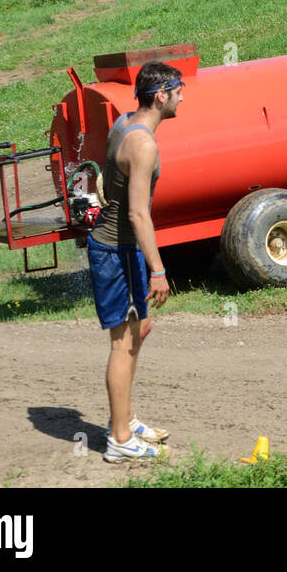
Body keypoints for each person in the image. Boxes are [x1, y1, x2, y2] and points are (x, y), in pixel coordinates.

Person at [87, 61, 182, 463]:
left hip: (116, 250)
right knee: (122, 345)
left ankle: (125, 419)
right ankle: (120, 440)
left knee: (139, 329)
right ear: (161, 95)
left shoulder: (123, 122)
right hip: (118, 252)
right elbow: (137, 214)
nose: (182, 97)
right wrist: (157, 270)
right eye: (178, 90)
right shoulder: (144, 144)